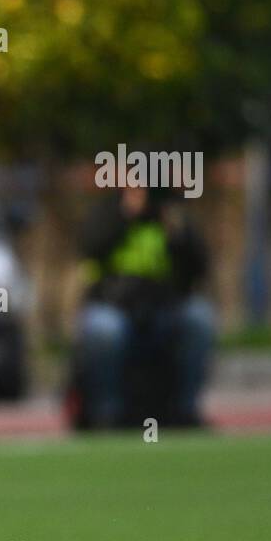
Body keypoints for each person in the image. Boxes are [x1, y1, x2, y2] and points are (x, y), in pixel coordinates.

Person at [75, 179, 213, 428]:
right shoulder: (109, 210)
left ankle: (186, 409)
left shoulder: (170, 214)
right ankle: (107, 412)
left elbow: (200, 266)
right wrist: (126, 214)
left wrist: (179, 232)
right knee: (104, 329)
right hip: (115, 306)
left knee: (199, 318)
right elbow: (90, 247)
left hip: (163, 308)